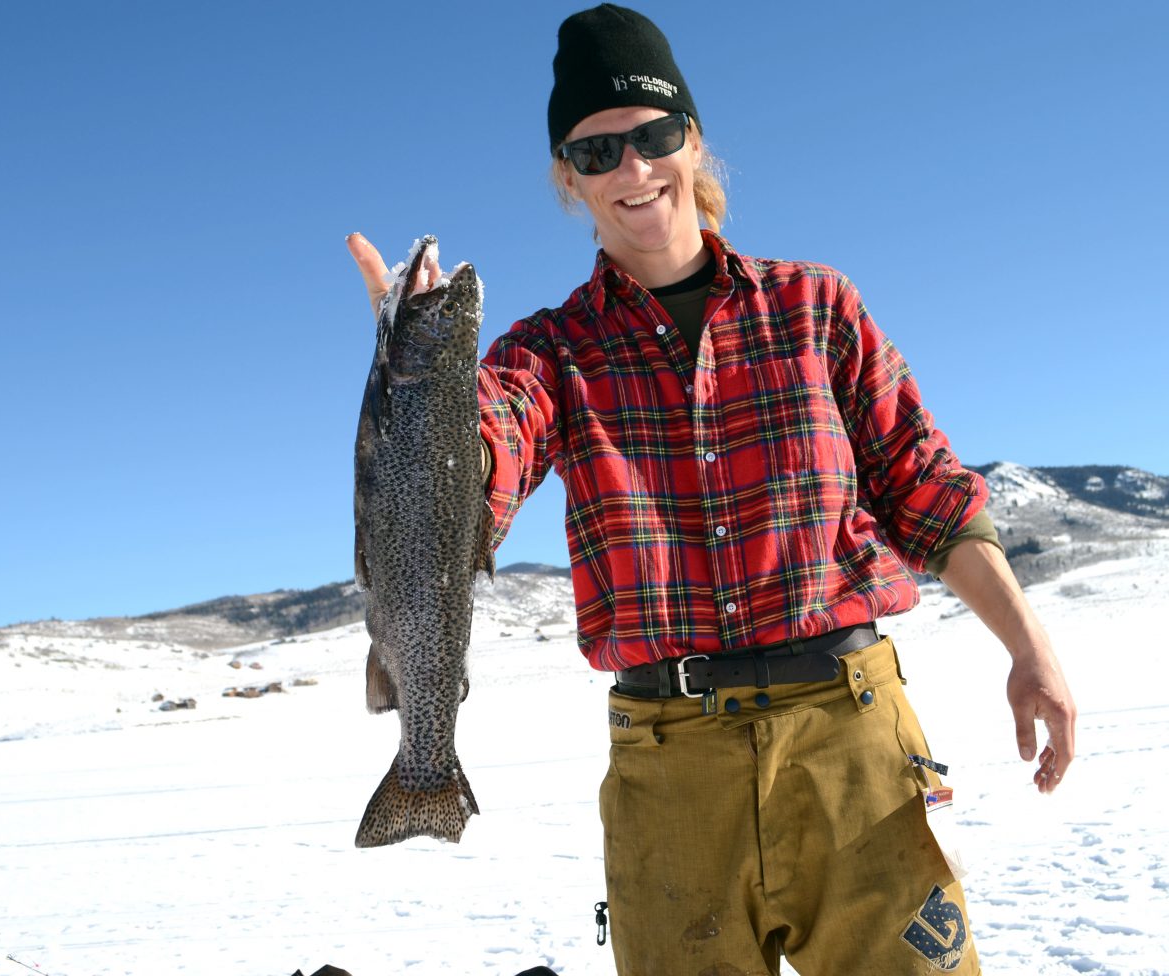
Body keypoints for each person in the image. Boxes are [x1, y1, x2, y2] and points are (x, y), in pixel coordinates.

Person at [348, 5, 1076, 974]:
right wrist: (424, 378)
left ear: (691, 139)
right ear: (566, 178)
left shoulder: (817, 308)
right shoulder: (548, 354)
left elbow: (929, 491)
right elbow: (477, 469)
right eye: (596, 152)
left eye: (652, 137)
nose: (633, 170)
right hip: (667, 763)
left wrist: (1030, 650)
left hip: (851, 739)